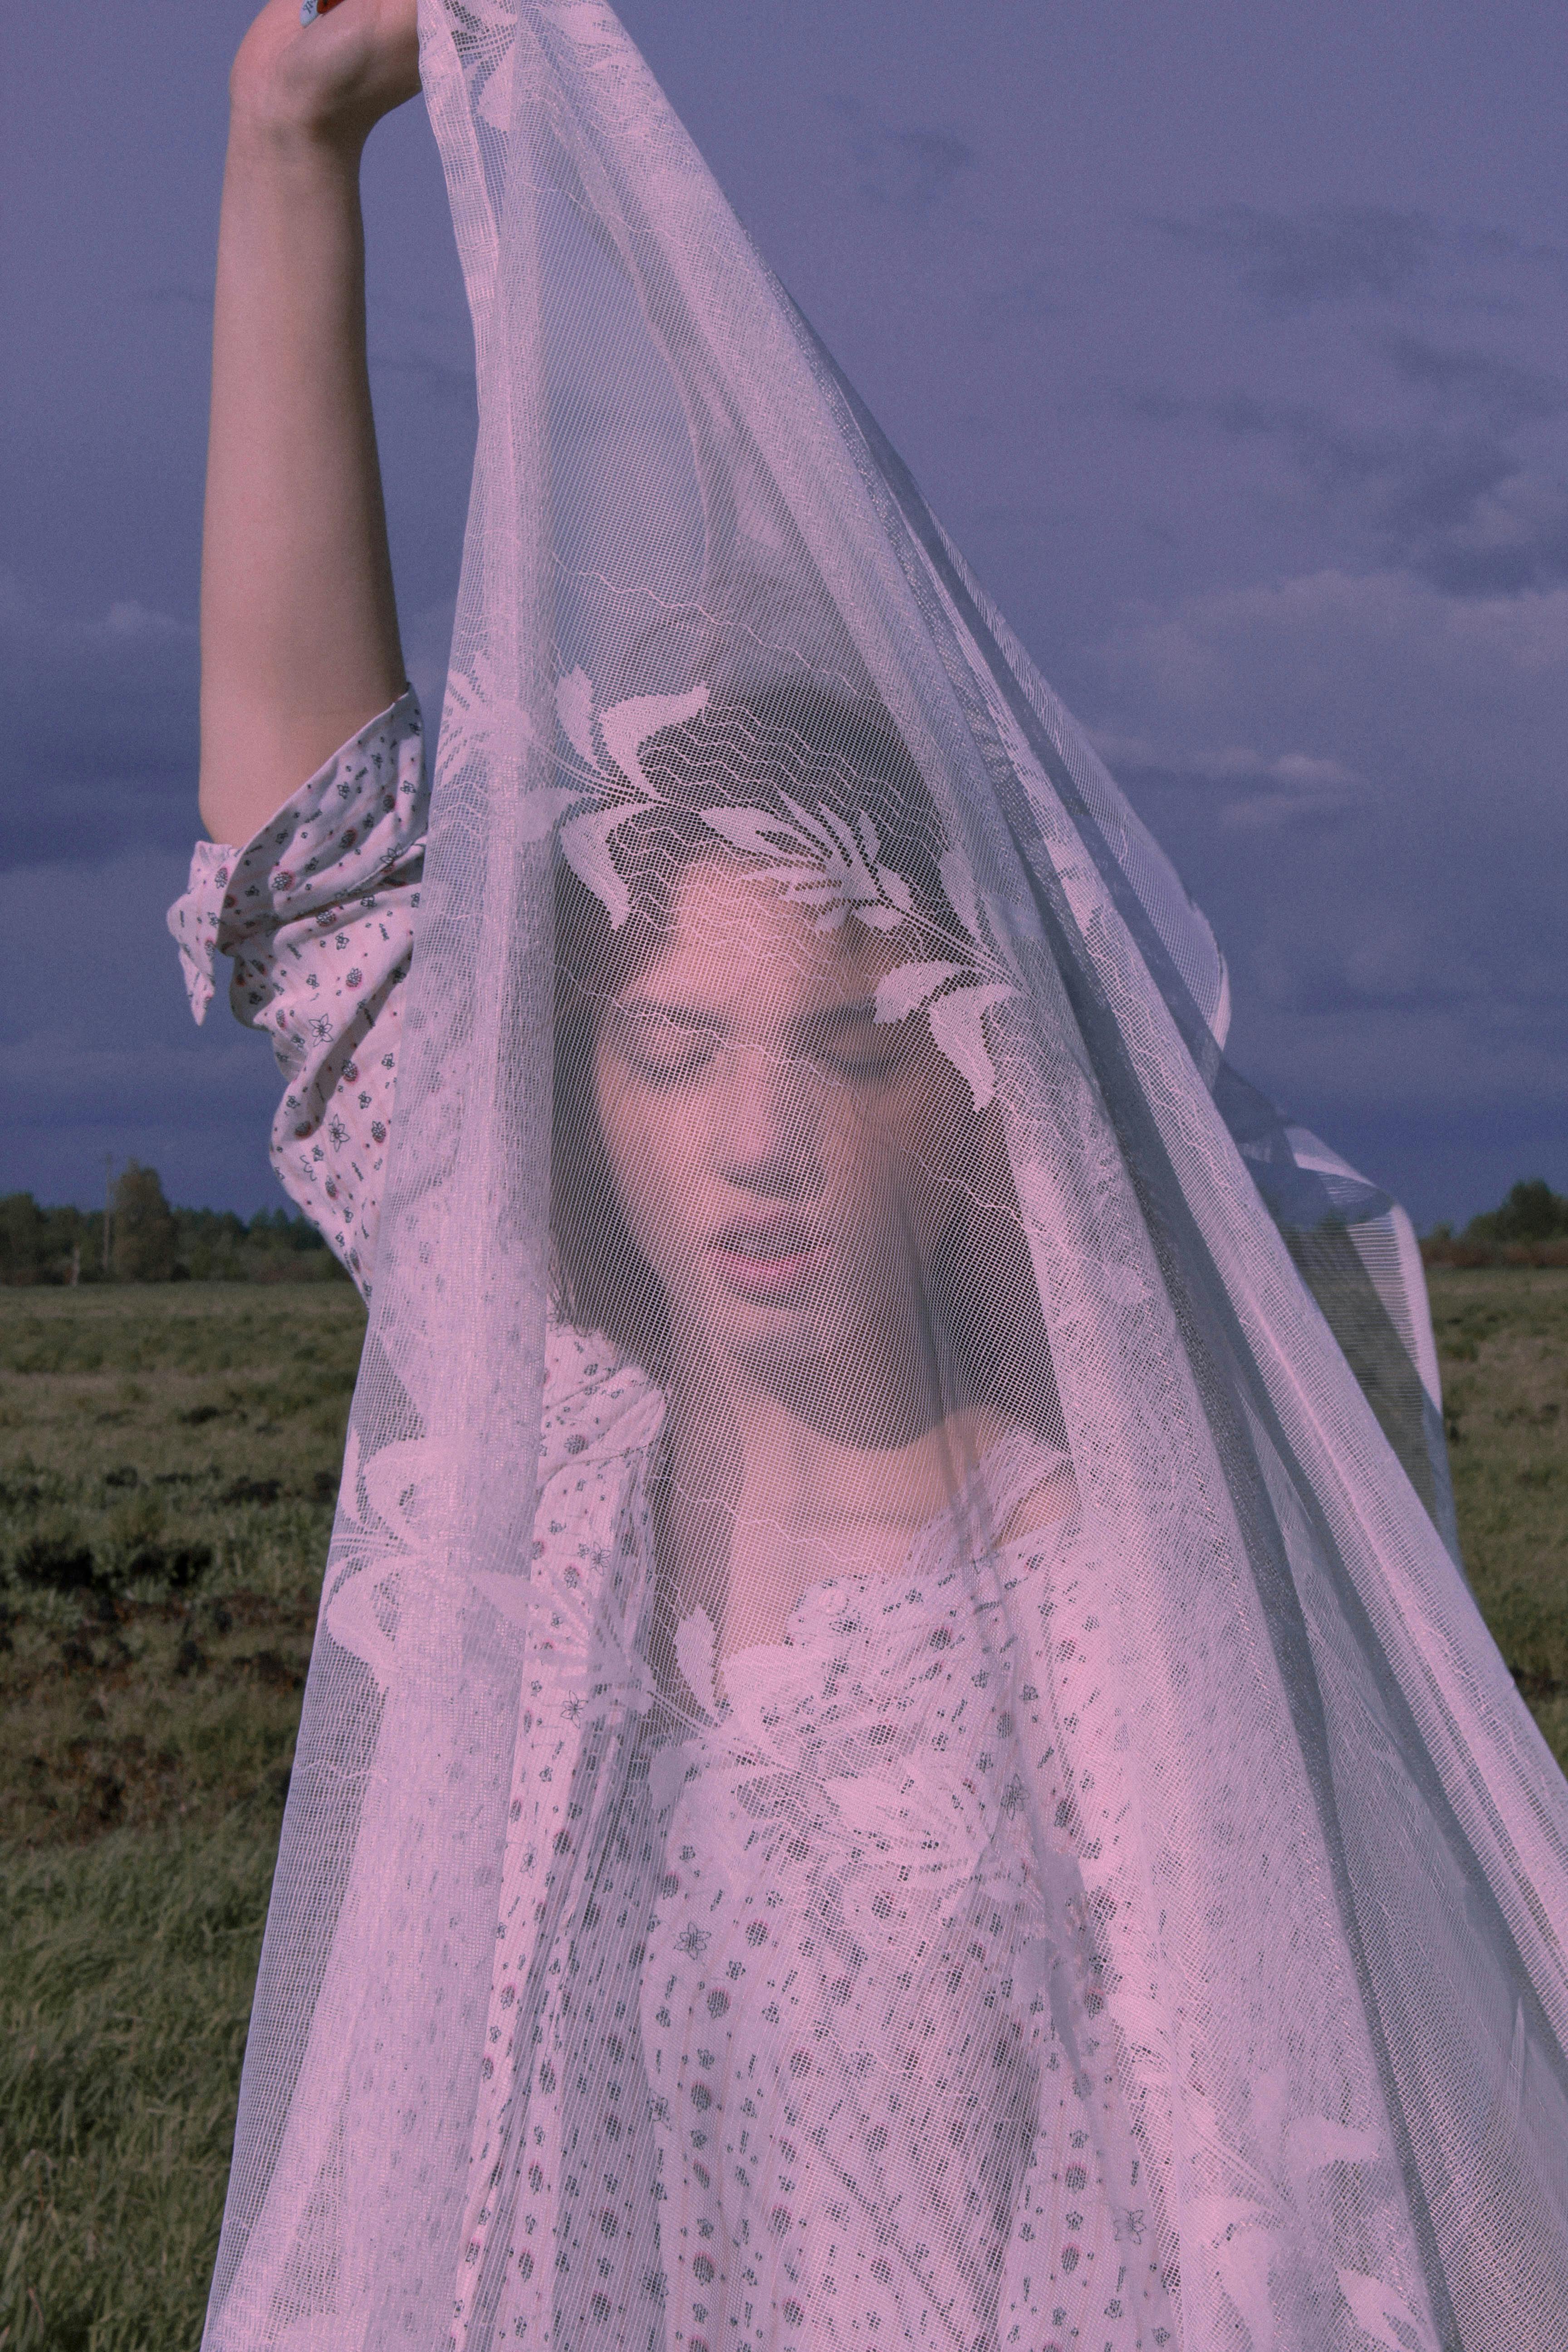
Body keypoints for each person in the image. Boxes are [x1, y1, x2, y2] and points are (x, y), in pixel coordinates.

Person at [172, 5, 1568, 2347]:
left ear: (981, 1106)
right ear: (583, 1087)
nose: (755, 1143)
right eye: (670, 1048)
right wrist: (287, 149)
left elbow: (1299, 2226)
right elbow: (312, 864)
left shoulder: (1114, 1614)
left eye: (845, 1049)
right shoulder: (548, 1427)